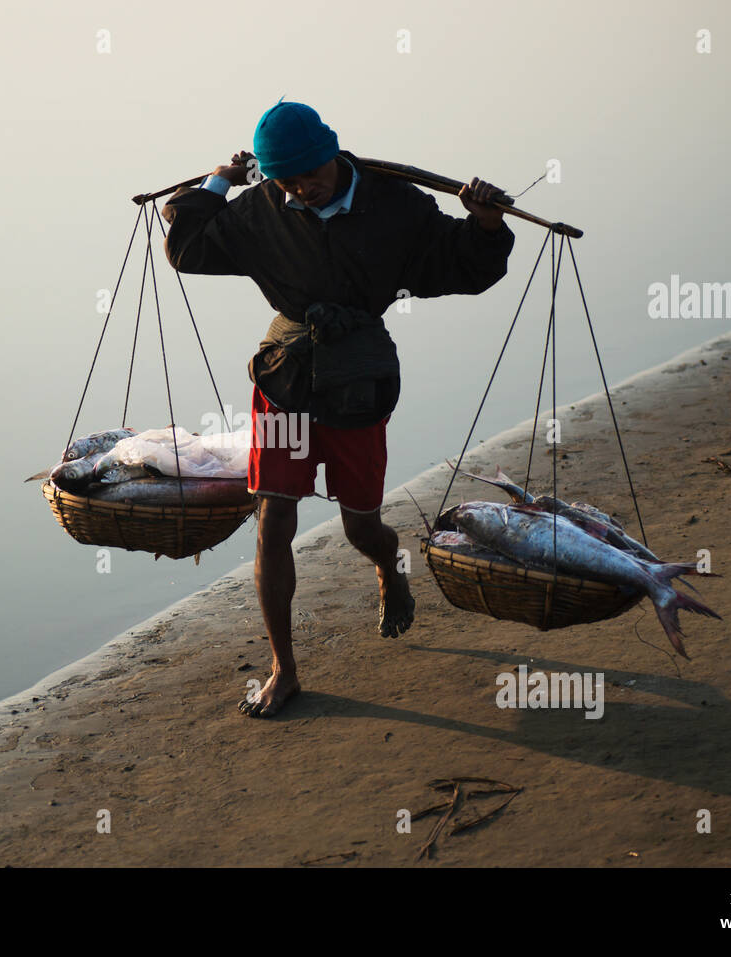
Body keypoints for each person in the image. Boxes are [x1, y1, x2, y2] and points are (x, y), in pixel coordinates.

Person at [162, 99, 514, 718]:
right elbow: (187, 245)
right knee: (275, 517)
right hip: (288, 379)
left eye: (311, 173)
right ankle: (285, 669)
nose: (303, 187)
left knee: (361, 526)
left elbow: (460, 263)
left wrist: (485, 225)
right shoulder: (261, 210)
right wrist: (218, 181)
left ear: (333, 150)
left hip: (357, 381)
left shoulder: (395, 204)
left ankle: (389, 567)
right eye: (288, 179)